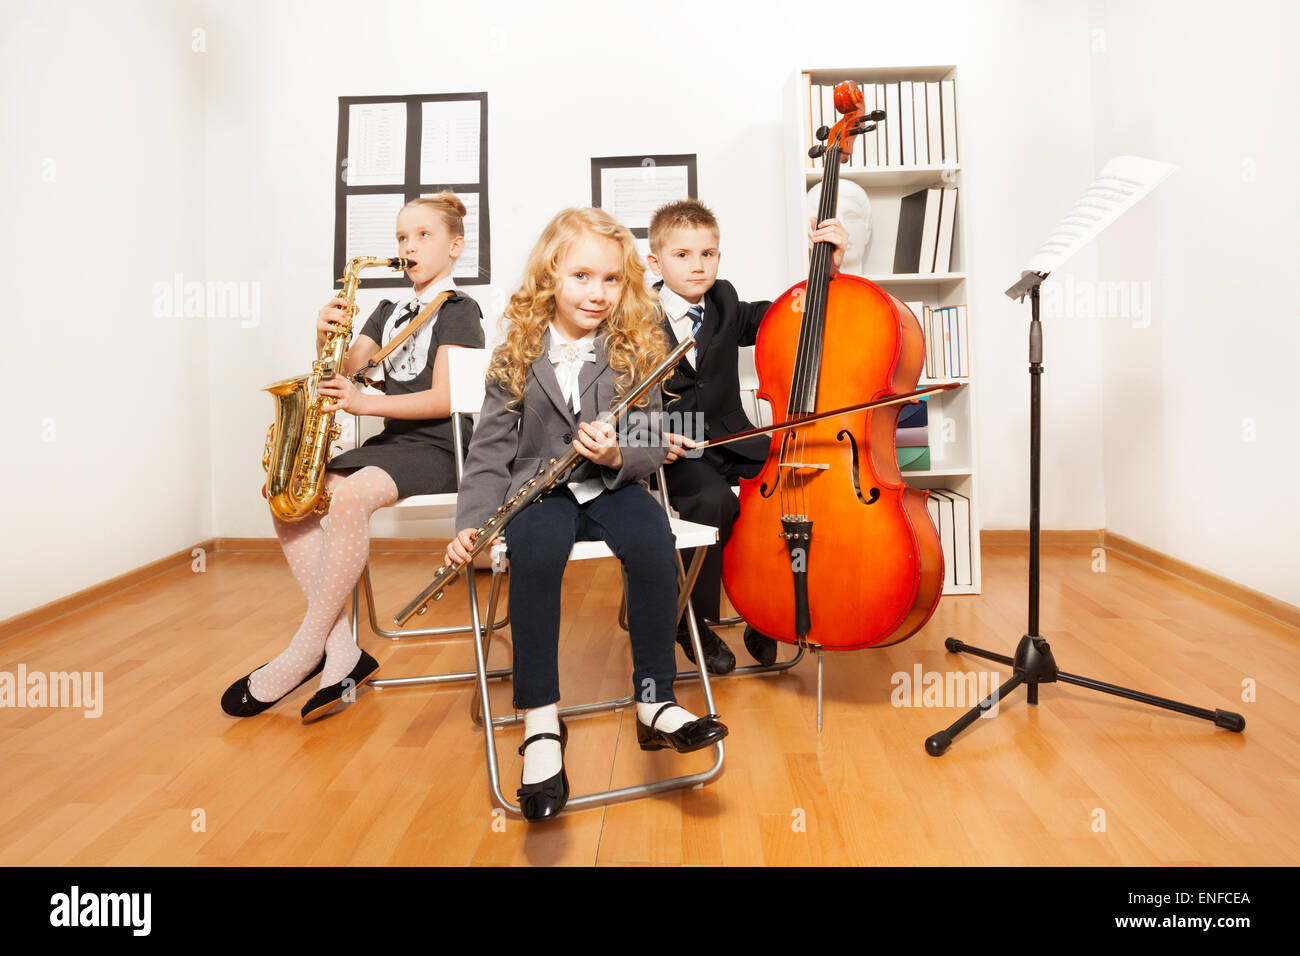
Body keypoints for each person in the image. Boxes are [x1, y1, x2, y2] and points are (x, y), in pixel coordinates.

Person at [446, 207, 728, 822]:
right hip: (539, 494)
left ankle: (655, 700)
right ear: (550, 275)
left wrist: (621, 451)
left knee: (655, 542)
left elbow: (655, 436)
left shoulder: (634, 347)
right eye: (580, 277)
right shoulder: (516, 353)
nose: (596, 293)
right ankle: (542, 722)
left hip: (611, 485)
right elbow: (490, 452)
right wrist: (471, 521)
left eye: (610, 280)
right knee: (537, 556)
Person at [221, 193, 484, 722]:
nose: (409, 247)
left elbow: (447, 399)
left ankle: (304, 651)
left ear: (455, 246)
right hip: (394, 445)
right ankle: (342, 652)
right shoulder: (387, 310)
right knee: (287, 497)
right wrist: (324, 333)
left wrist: (366, 401)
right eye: (402, 238)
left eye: (423, 236)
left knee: (352, 495)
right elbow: (343, 370)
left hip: (445, 445)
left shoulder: (460, 310)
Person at [646, 199, 846, 673]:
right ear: (655, 261)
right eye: (682, 255)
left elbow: (789, 316)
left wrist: (828, 272)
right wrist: (651, 437)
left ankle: (768, 609)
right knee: (716, 502)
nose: (698, 265)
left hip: (733, 437)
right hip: (675, 447)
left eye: (708, 253)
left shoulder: (725, 300)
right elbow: (612, 394)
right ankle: (693, 620)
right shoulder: (633, 316)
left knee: (798, 479)